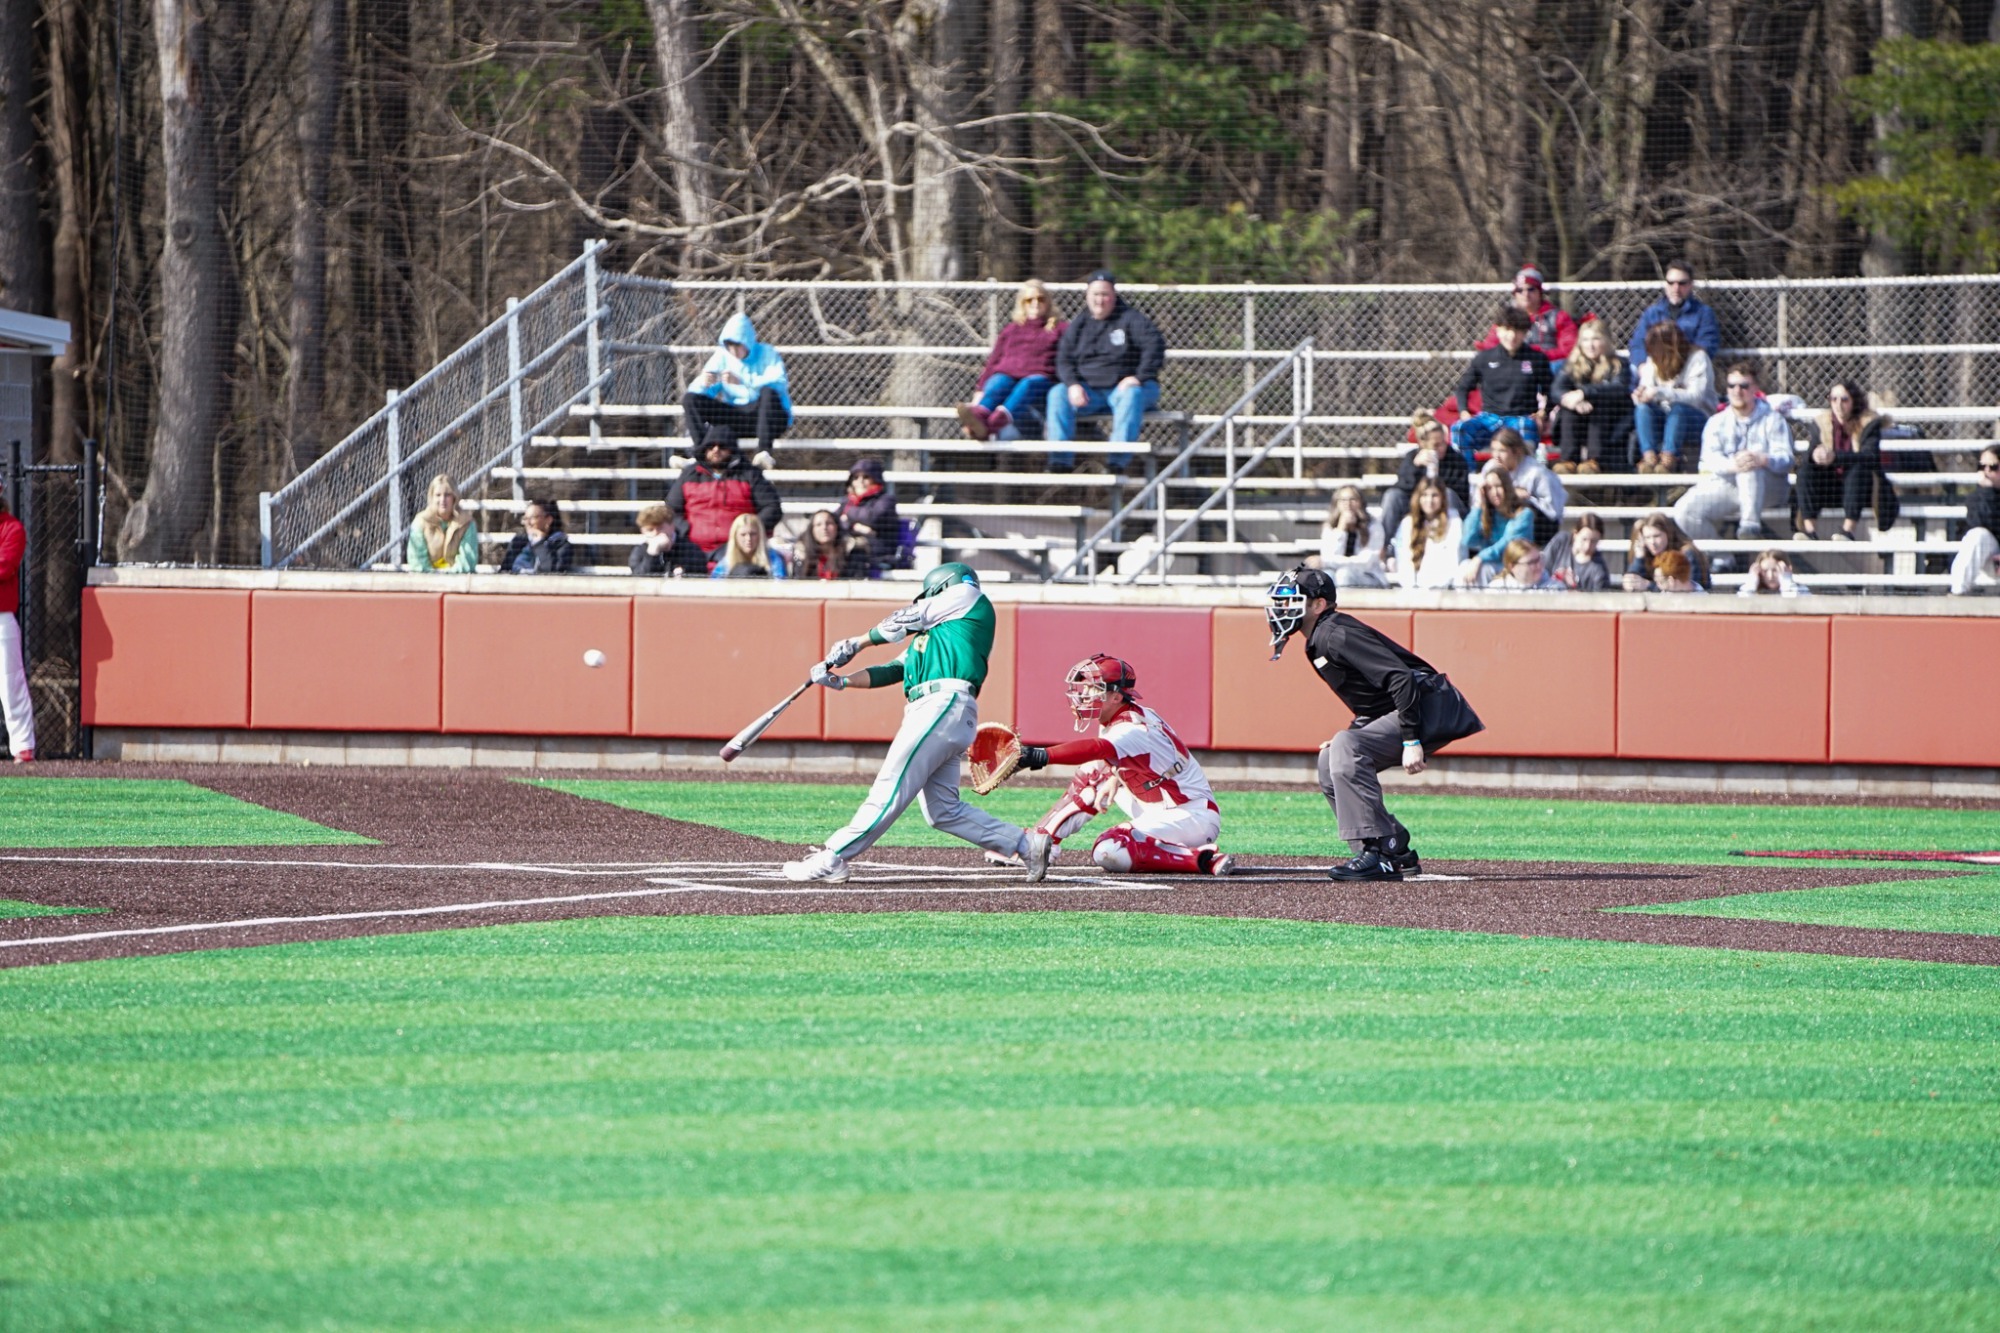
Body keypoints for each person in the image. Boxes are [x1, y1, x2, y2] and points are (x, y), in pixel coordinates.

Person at [784, 563, 1036, 882]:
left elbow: (903, 619)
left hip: (942, 704)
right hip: (939, 710)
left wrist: (856, 643)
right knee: (943, 811)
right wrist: (842, 681)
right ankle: (1027, 846)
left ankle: (833, 856)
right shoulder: (938, 636)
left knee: (891, 785)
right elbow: (893, 669)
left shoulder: (967, 594)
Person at [1266, 566, 1461, 883]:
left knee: (1345, 745)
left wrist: (1411, 741)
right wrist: (1357, 734)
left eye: (1292, 601)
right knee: (1330, 760)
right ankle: (1392, 844)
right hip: (1406, 709)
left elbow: (1400, 679)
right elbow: (1375, 701)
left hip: (1428, 708)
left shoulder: (1335, 634)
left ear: (1319, 604)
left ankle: (1377, 854)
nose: (1282, 608)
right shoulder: (1319, 639)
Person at [1013, 654, 1233, 881]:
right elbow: (1137, 758)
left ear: (1116, 697)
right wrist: (1114, 778)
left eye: (1094, 689)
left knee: (1109, 849)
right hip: (1157, 801)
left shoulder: (1132, 728)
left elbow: (1098, 748)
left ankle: (1199, 859)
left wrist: (1039, 755)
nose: (1084, 695)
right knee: (1095, 774)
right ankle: (1038, 842)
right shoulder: (1117, 718)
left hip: (1190, 814)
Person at [1045, 270, 1166, 472]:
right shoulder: (1079, 325)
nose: (1100, 300)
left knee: (1132, 394)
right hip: (1090, 393)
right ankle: (1060, 462)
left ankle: (1116, 463)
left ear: (1114, 296)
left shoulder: (1131, 319)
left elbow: (1155, 346)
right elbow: (1063, 359)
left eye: (1105, 295)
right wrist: (1073, 384)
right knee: (1057, 393)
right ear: (1087, 296)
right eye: (1095, 295)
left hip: (1125, 391)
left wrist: (1138, 377)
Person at [1674, 362, 1794, 546]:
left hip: (1770, 487)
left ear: (1755, 388)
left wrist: (1762, 459)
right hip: (1729, 485)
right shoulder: (1716, 422)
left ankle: (1750, 527)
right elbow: (1709, 460)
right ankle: (1723, 557)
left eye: (1744, 386)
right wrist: (1734, 465)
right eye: (1732, 386)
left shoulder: (1773, 419)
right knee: (1684, 512)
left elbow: (1786, 460)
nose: (1737, 391)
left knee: (1749, 469)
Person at [957, 279, 1065, 441]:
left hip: (1040, 382)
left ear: (1047, 302)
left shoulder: (1059, 328)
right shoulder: (1012, 329)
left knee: (1028, 383)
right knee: (998, 379)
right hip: (1009, 378)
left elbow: (1069, 358)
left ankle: (990, 426)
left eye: (1040, 299)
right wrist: (979, 391)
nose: (1035, 303)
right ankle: (978, 417)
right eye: (1030, 300)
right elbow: (993, 362)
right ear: (1023, 303)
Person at [666, 426, 784, 574]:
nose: (716, 450)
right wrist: (686, 531)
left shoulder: (749, 474)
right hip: (692, 547)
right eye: (711, 446)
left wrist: (748, 530)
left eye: (722, 446)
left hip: (735, 548)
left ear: (732, 449)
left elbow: (772, 507)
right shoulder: (690, 474)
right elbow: (671, 509)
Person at [681, 312, 792, 458]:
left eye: (738, 345)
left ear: (747, 342)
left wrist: (743, 381)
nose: (734, 351)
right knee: (690, 399)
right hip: (736, 416)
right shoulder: (722, 356)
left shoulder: (767, 352)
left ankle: (764, 452)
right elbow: (697, 390)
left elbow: (780, 382)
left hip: (768, 417)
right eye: (729, 346)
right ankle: (702, 453)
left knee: (768, 393)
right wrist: (704, 383)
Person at [1797, 382, 1898, 540]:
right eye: (1833, 399)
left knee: (1857, 469)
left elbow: (1870, 456)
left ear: (1854, 401)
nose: (1838, 404)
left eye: (1844, 399)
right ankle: (1809, 530)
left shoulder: (1869, 422)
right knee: (1805, 471)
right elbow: (1808, 456)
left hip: (1862, 490)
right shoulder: (1822, 423)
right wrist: (1816, 455)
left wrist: (1835, 457)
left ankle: (1848, 530)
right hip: (1830, 488)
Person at [1451, 304, 1552, 460]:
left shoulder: (1537, 359)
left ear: (1525, 333)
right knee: (1460, 429)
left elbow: (1551, 390)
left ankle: (1524, 478)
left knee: (1527, 427)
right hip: (1488, 418)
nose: (1512, 336)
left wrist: (1543, 414)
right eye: (1507, 329)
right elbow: (1463, 388)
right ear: (1498, 329)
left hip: (1520, 418)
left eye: (1518, 331)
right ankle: (1466, 477)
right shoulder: (1484, 358)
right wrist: (1464, 412)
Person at [1377, 411, 1469, 555]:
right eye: (1436, 445)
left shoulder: (1456, 459)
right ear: (1423, 445)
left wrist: (1436, 473)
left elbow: (1461, 493)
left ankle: (1451, 548)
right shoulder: (1412, 457)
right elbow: (1402, 487)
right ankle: (1383, 548)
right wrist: (1415, 466)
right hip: (1417, 504)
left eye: (1443, 443)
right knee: (1392, 496)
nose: (1441, 448)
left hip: (1445, 506)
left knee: (1448, 494)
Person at [1630, 321, 1715, 473]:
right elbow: (1646, 387)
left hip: (1696, 418)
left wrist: (1659, 392)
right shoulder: (1652, 360)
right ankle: (1649, 459)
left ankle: (1669, 460)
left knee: (1679, 409)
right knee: (1643, 409)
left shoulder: (1698, 358)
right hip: (1664, 417)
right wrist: (1640, 396)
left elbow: (1696, 397)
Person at [1548, 316, 1630, 473]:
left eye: (1595, 339)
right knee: (1569, 407)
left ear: (1606, 340)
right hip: (1578, 422)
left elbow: (1619, 388)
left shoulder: (1619, 363)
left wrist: (1584, 392)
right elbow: (1556, 390)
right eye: (1585, 340)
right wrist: (1574, 401)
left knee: (1598, 403)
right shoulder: (1572, 364)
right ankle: (1568, 461)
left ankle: (1594, 461)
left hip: (1610, 421)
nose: (1590, 345)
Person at [1626, 260, 1722, 371]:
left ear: (1691, 284)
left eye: (1682, 283)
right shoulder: (1652, 313)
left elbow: (1707, 344)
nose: (1676, 288)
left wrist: (1679, 363)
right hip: (1655, 369)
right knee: (1634, 369)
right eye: (1671, 283)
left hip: (1688, 370)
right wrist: (1642, 366)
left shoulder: (1703, 313)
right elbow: (1638, 343)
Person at [1474, 265, 1578, 363]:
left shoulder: (1557, 316)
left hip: (1547, 367)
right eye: (1520, 290)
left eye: (1531, 289)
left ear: (1540, 292)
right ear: (1515, 294)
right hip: (1514, 365)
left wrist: (1538, 356)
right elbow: (1491, 345)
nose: (1526, 294)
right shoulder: (1507, 318)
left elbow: (1569, 348)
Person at [1483, 427, 1566, 545]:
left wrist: (1526, 499)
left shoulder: (1536, 472)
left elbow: (1552, 512)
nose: (1496, 456)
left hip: (1539, 528)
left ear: (1516, 451)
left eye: (1502, 451)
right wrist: (1510, 492)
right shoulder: (1489, 468)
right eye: (1493, 450)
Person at [1457, 468, 1535, 587]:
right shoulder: (1488, 514)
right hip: (1490, 564)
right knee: (1464, 566)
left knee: (1483, 569)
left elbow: (1507, 544)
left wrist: (1479, 558)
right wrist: (1478, 505)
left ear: (1507, 487)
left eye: (1498, 486)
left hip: (1514, 567)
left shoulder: (1524, 514)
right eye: (1489, 488)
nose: (1495, 492)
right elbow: (1468, 539)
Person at [0, 490, 33, 762]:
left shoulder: (12, 528)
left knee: (10, 683)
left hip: (1, 617)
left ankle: (23, 746)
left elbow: (5, 566)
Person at [1390, 476, 1463, 590]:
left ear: (1442, 498)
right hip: (1413, 589)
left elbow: (1454, 557)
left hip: (1443, 588)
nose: (1429, 500)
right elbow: (1403, 557)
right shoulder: (1408, 523)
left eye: (1434, 495)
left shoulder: (1453, 521)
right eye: (1424, 495)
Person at [1949, 444, 2000, 596]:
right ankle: (1958, 594)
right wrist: (1987, 492)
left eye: (1993, 467)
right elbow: (1980, 522)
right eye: (1981, 466)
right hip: (1993, 559)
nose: (1986, 471)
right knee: (1977, 535)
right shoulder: (1978, 496)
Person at [837, 457, 901, 573]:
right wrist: (855, 527)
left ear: (875, 479)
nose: (860, 481)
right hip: (850, 546)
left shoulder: (886, 499)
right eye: (856, 477)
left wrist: (848, 514)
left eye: (866, 477)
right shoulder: (848, 500)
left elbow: (872, 517)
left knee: (856, 551)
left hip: (879, 552)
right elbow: (836, 521)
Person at [405, 473, 479, 573]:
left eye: (447, 495)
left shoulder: (467, 523)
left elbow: (467, 563)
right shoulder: (420, 523)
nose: (442, 500)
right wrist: (435, 578)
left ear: (454, 497)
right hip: (425, 582)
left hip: (458, 582)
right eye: (438, 495)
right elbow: (417, 564)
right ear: (431, 498)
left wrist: (446, 577)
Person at [1318, 485, 1388, 588]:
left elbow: (1365, 562)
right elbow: (1327, 557)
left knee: (1344, 574)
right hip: (1338, 573)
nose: (1348, 504)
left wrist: (1333, 562)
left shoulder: (1373, 526)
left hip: (1370, 577)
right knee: (1327, 576)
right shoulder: (1330, 527)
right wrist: (1341, 529)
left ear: (1361, 502)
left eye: (1353, 499)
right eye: (1343, 500)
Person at [1622, 512, 1711, 592]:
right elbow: (1631, 584)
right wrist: (1639, 559)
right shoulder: (1647, 554)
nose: (1652, 542)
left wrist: (1648, 585)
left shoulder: (1687, 554)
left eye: (1656, 536)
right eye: (1647, 538)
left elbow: (1686, 587)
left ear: (1668, 534)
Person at [497, 496, 572, 575]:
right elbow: (504, 570)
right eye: (525, 518)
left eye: (533, 518)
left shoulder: (560, 544)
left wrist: (539, 542)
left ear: (548, 520)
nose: (528, 523)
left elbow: (551, 571)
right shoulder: (519, 541)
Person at [795, 508, 871, 581]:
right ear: (812, 530)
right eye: (818, 525)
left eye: (829, 523)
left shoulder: (852, 554)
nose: (824, 528)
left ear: (837, 527)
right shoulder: (802, 556)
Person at [709, 512, 788, 579]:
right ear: (735, 537)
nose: (748, 539)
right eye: (743, 535)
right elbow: (715, 586)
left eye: (753, 534)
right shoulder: (726, 562)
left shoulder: (774, 559)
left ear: (760, 535)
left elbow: (780, 584)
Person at [1544, 513, 1609, 591]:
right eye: (1584, 539)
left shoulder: (1599, 569)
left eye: (1593, 541)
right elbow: (1542, 569)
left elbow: (1600, 599)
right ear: (1575, 534)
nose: (1587, 546)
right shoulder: (1561, 542)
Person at [1483, 539, 1563, 592]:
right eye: (1531, 562)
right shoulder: (1495, 590)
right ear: (1512, 567)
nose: (1538, 565)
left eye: (1538, 559)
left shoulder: (1555, 589)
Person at [1738, 548, 1812, 597]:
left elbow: (1793, 605)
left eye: (1775, 570)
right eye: (1765, 571)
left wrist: (1786, 581)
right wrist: (1752, 583)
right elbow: (1740, 605)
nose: (1770, 576)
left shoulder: (1801, 590)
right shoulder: (1750, 589)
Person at [629, 503, 676, 576]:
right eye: (650, 530)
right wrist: (652, 552)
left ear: (672, 527)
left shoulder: (688, 548)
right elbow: (639, 578)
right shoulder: (639, 551)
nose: (655, 533)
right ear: (643, 531)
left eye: (660, 528)